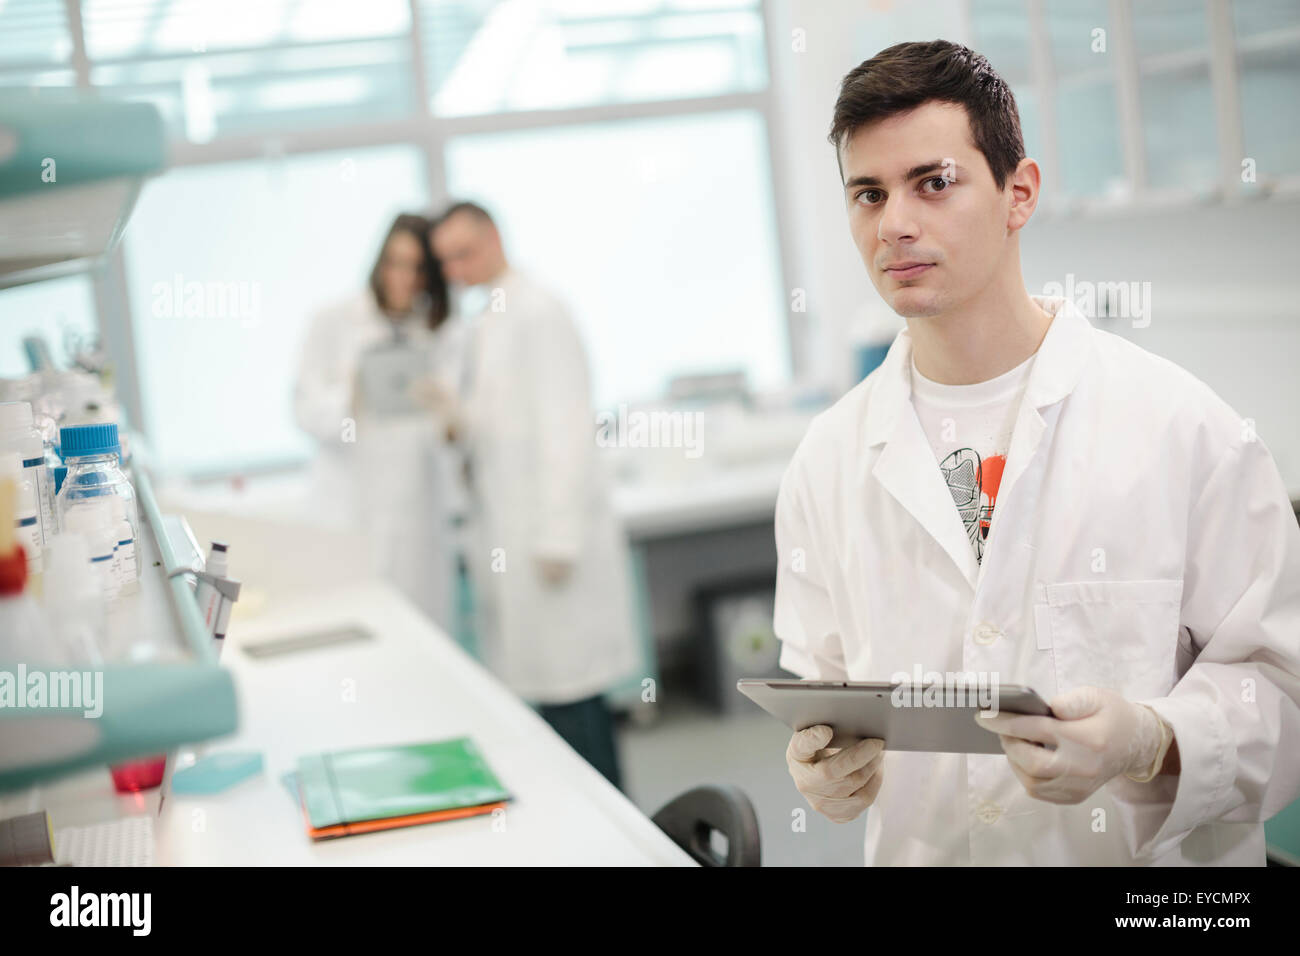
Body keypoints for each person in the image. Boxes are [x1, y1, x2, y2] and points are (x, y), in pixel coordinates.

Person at [775, 40, 1300, 865]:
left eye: (933, 183)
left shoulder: (1183, 428)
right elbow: (819, 684)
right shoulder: (827, 458)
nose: (895, 224)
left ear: (1019, 193)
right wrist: (823, 768)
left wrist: (1152, 741)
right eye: (868, 194)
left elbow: (1283, 690)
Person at [428, 201, 638, 790]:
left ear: (495, 237)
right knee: (551, 701)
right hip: (513, 538)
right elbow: (506, 426)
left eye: (465, 252)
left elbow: (565, 430)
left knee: (575, 701)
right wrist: (457, 417)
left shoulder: (539, 311)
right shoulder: (491, 316)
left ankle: (618, 841)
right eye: (446, 260)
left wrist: (558, 535)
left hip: (550, 548)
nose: (457, 269)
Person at [293, 212, 464, 628]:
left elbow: (452, 437)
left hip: (419, 518)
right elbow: (304, 410)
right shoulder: (332, 320)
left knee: (423, 641)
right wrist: (348, 395)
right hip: (350, 511)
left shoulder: (441, 332)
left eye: (417, 268)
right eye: (394, 262)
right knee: (360, 634)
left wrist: (447, 415)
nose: (403, 277)